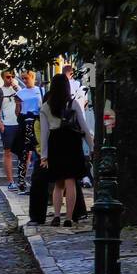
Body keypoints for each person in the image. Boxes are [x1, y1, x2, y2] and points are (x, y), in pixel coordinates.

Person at [40, 72, 94, 228]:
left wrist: (44, 155)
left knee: (58, 183)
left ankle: (56, 215)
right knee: (70, 181)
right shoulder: (73, 103)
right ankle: (69, 217)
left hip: (55, 142)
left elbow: (44, 133)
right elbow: (84, 127)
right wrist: (91, 146)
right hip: (71, 142)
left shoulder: (46, 106)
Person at [0, 70, 23, 188]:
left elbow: (27, 100)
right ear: (3, 78)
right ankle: (10, 181)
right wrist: (1, 125)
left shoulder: (19, 90)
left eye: (13, 76)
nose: (11, 79)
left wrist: (17, 89)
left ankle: (22, 179)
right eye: (8, 77)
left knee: (25, 153)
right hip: (7, 125)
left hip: (20, 124)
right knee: (8, 152)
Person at [15, 70, 42, 191]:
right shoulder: (20, 93)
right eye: (23, 79)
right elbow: (17, 111)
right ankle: (21, 180)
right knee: (24, 152)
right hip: (25, 122)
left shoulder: (40, 91)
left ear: (32, 77)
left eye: (26, 78)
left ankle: (40, 178)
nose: (24, 81)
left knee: (38, 150)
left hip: (37, 122)